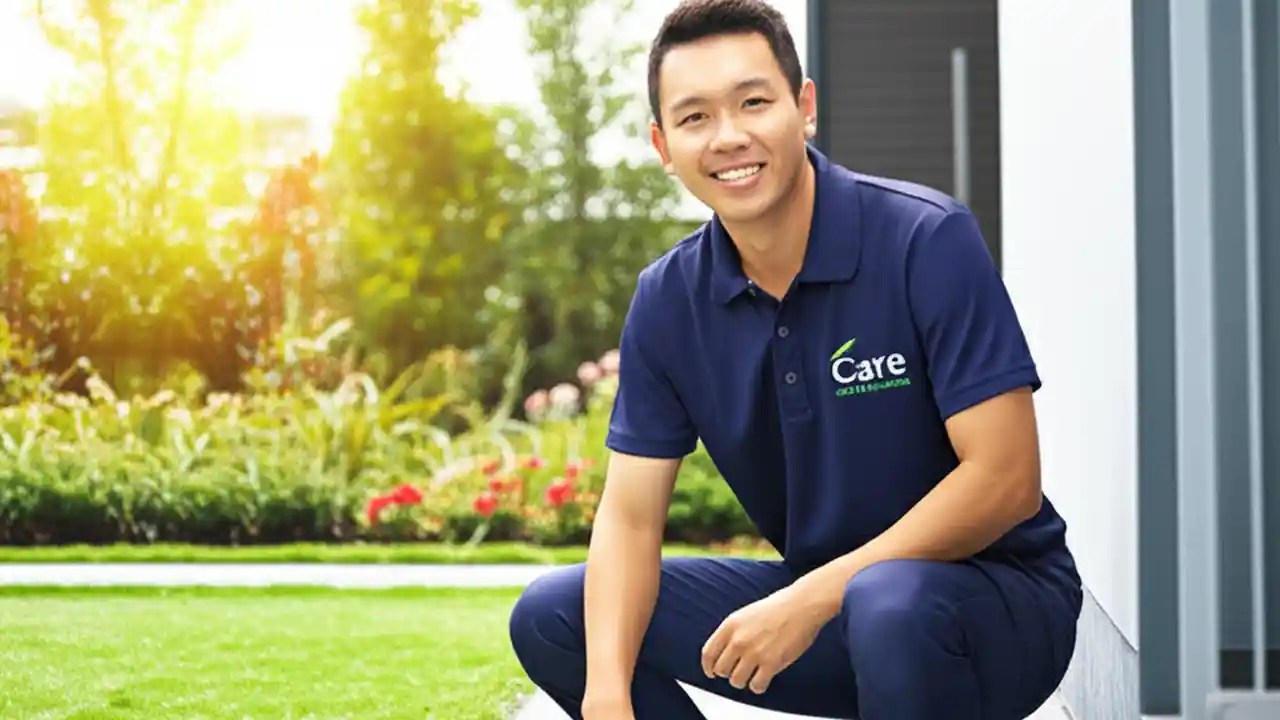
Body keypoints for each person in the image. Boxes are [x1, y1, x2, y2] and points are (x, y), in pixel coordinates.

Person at [508, 1, 1083, 718]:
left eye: (753, 102)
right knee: (559, 614)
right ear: (662, 145)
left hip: (996, 605)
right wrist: (606, 694)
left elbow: (1006, 480)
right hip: (831, 606)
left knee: (887, 603)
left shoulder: (924, 240)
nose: (728, 137)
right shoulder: (668, 300)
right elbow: (628, 518)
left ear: (803, 106)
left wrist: (811, 598)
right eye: (694, 118)